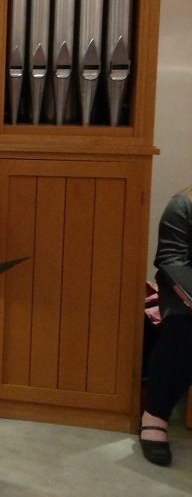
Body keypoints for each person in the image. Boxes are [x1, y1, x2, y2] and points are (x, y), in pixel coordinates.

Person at [139, 184, 192, 466]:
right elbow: (171, 261)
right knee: (184, 329)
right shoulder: (182, 205)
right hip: (186, 296)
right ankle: (155, 414)